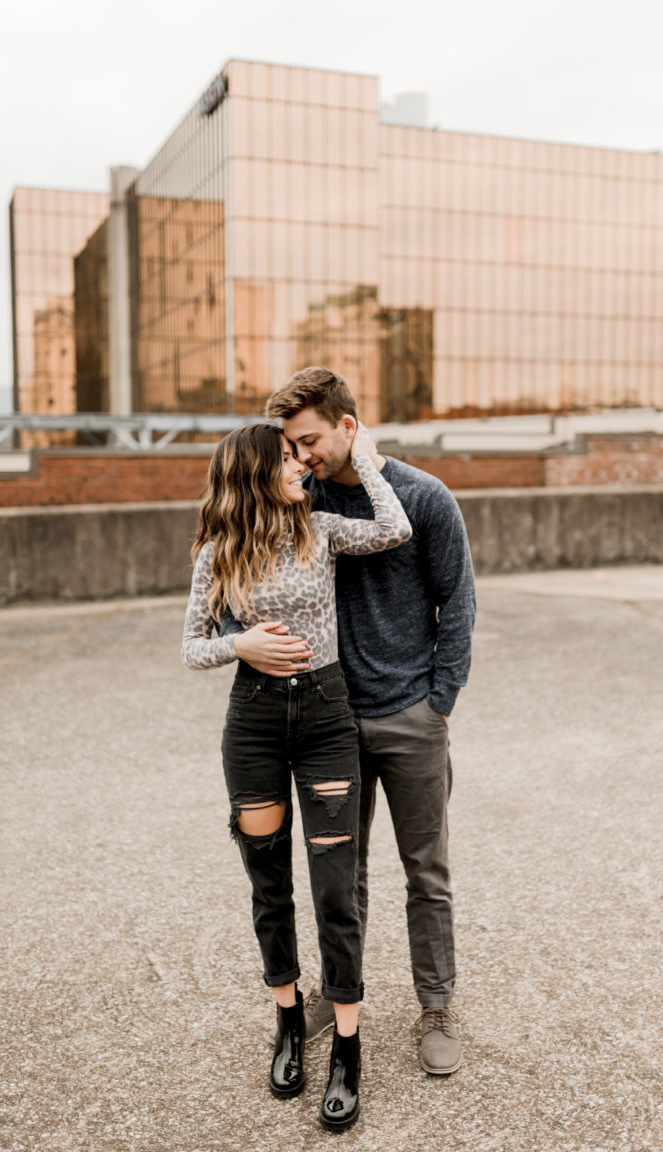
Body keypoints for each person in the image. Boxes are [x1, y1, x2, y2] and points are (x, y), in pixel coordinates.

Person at [226, 368, 476, 1076]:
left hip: (411, 717)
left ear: (348, 425)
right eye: (292, 447)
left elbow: (457, 605)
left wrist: (439, 701)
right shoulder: (300, 504)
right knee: (342, 872)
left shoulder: (425, 498)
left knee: (426, 871)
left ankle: (435, 1005)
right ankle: (343, 995)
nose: (302, 458)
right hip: (329, 724)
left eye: (311, 441)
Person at [181, 420, 411, 1131]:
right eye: (286, 459)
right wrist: (238, 643)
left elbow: (393, 528)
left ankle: (347, 1045)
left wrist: (369, 464)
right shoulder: (221, 552)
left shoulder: (323, 528)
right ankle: (288, 1021)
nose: (300, 467)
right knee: (268, 884)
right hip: (251, 723)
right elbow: (191, 646)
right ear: (255, 472)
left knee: (335, 890)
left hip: (325, 718)